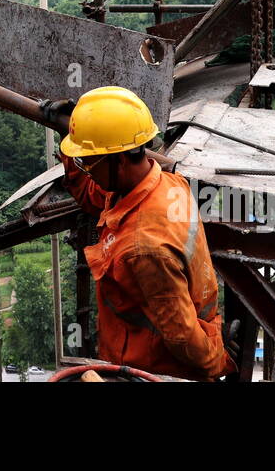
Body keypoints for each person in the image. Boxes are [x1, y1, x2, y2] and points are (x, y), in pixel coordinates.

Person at [56, 86, 234, 381]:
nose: (86, 169)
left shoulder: (144, 247)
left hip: (149, 371)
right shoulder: (166, 184)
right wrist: (70, 145)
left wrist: (218, 364)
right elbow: (94, 195)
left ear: (120, 161)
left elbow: (182, 336)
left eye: (89, 162)